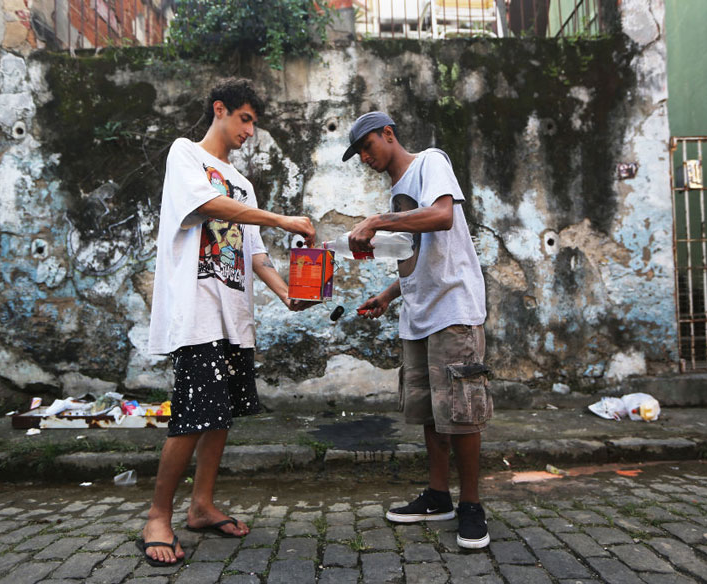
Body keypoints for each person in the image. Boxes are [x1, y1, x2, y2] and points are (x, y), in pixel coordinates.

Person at [140, 78, 316, 567]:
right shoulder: (185, 155)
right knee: (193, 414)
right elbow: (202, 206)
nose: (249, 131)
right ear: (219, 110)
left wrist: (287, 294)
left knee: (220, 415)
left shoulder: (243, 183)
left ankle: (201, 506)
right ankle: (158, 514)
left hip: (233, 316)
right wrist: (280, 219)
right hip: (197, 310)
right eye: (245, 119)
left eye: (254, 123)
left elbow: (255, 255)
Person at [343, 111, 492, 549]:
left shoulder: (430, 162)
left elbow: (443, 216)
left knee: (461, 413)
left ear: (388, 134)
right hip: (418, 313)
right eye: (359, 154)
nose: (365, 157)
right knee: (431, 411)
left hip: (453, 309)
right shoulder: (398, 193)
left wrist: (377, 221)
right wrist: (389, 295)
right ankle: (438, 495)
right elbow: (421, 253)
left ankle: (471, 505)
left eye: (368, 146)